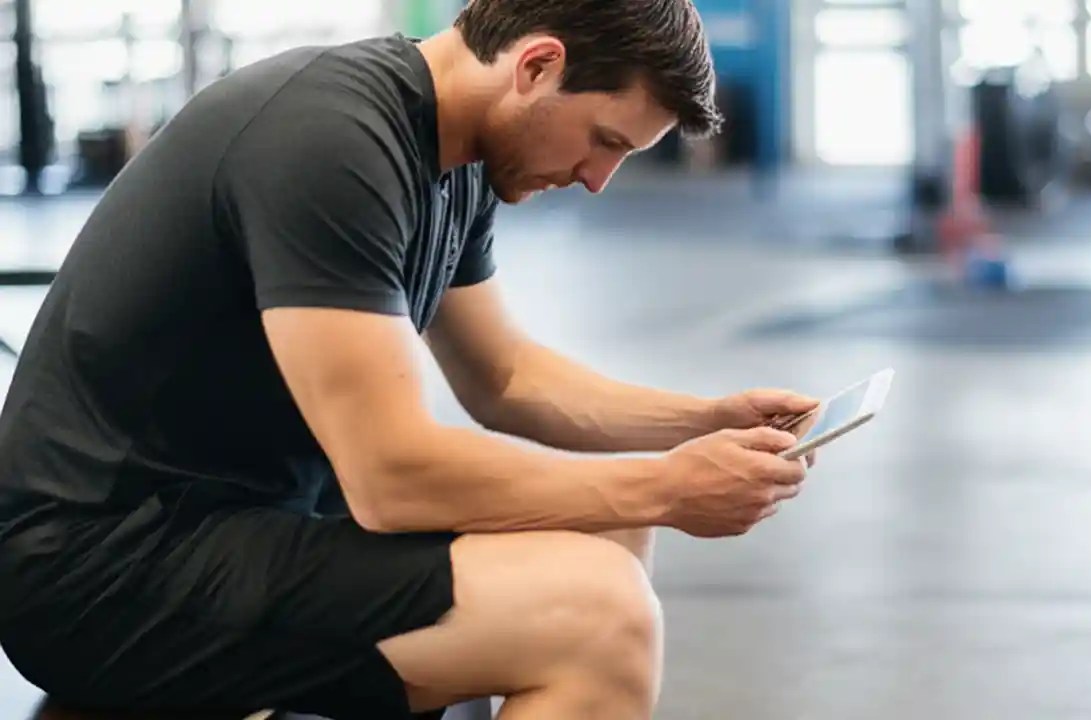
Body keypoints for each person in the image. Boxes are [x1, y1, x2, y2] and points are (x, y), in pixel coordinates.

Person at [0, 1, 819, 718]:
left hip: (236, 524)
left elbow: (506, 377)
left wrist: (705, 421)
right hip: (101, 570)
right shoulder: (332, 140)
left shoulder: (454, 152)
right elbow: (391, 478)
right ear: (537, 65)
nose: (598, 179)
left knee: (611, 527)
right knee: (601, 615)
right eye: (604, 140)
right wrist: (671, 485)